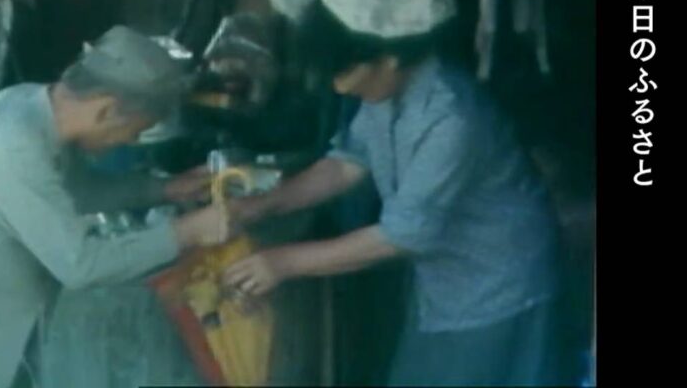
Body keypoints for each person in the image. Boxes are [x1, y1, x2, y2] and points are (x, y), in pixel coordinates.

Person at [0, 26, 228, 388]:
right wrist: (188, 231)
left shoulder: (32, 110)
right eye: (135, 131)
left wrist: (166, 190)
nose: (130, 141)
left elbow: (78, 191)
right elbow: (82, 265)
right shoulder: (13, 144)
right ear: (107, 110)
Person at [219, 24, 564, 386]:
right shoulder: (383, 93)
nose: (340, 87)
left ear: (391, 58)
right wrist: (266, 204)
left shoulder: (452, 117)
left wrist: (283, 262)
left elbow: (402, 235)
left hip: (499, 280)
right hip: (442, 284)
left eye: (347, 73)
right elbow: (346, 164)